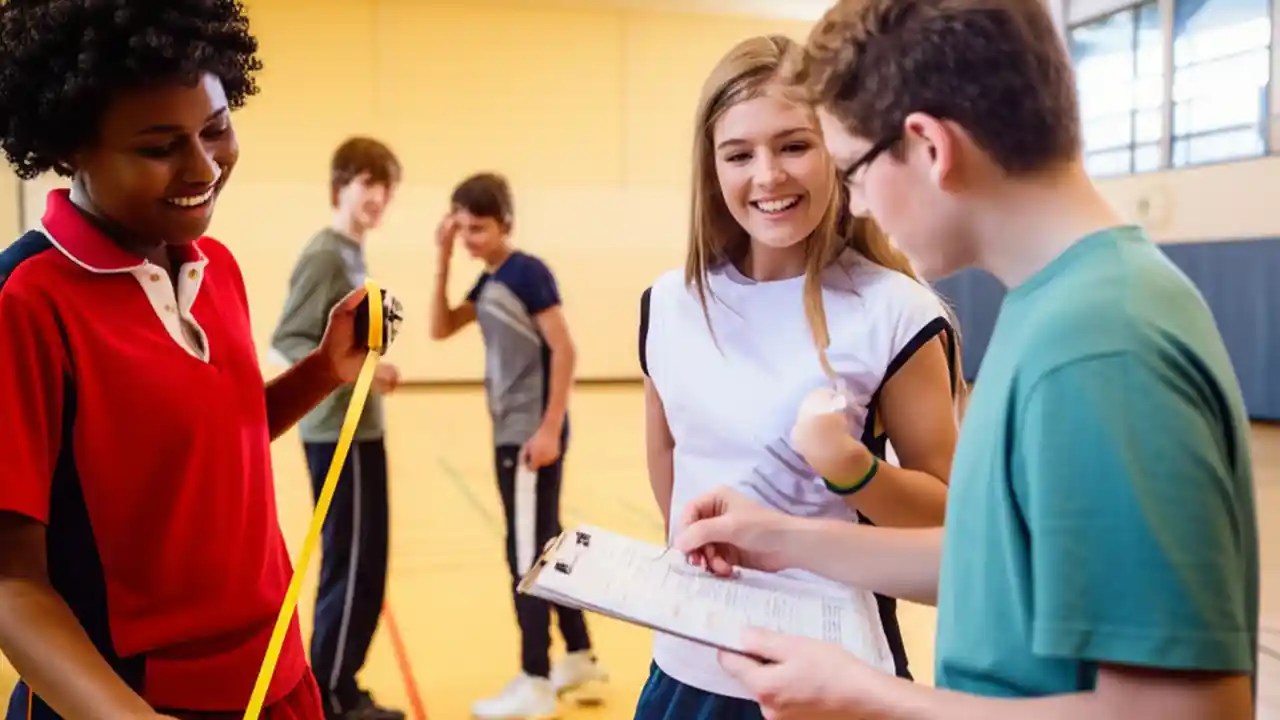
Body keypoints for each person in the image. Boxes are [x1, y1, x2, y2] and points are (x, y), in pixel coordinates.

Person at [672, 1, 1260, 718]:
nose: (853, 201)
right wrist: (779, 538)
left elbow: (1182, 712)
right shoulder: (1054, 306)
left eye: (851, 168)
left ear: (928, 146)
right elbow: (998, 564)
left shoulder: (1097, 346)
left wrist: (868, 694)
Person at [0, 1, 374, 718]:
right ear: (71, 148)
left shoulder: (216, 267)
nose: (203, 166)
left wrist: (323, 370)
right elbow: (12, 584)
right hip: (134, 696)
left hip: (276, 675)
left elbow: (213, 445)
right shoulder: (27, 302)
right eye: (158, 146)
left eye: (217, 128)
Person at [633, 34, 961, 720]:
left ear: (836, 149)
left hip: (826, 678)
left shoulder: (894, 312)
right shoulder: (670, 302)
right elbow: (669, 452)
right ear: (711, 167)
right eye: (739, 154)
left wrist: (848, 468)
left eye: (793, 145)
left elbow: (950, 514)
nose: (768, 176)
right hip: (688, 660)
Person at [428, 172, 608, 719]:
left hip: (530, 438)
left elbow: (565, 350)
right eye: (461, 230)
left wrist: (550, 427)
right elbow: (439, 328)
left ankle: (535, 680)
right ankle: (578, 655)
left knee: (525, 555)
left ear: (504, 223)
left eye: (477, 229)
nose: (469, 239)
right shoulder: (488, 282)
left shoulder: (527, 273)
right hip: (509, 431)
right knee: (541, 543)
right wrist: (442, 261)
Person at [270, 137, 405, 720]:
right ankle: (326, 693)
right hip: (334, 430)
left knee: (369, 560)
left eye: (385, 186)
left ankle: (342, 683)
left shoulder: (352, 253)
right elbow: (289, 338)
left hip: (363, 430)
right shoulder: (325, 253)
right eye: (366, 182)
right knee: (348, 561)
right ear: (340, 186)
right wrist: (355, 375)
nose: (376, 196)